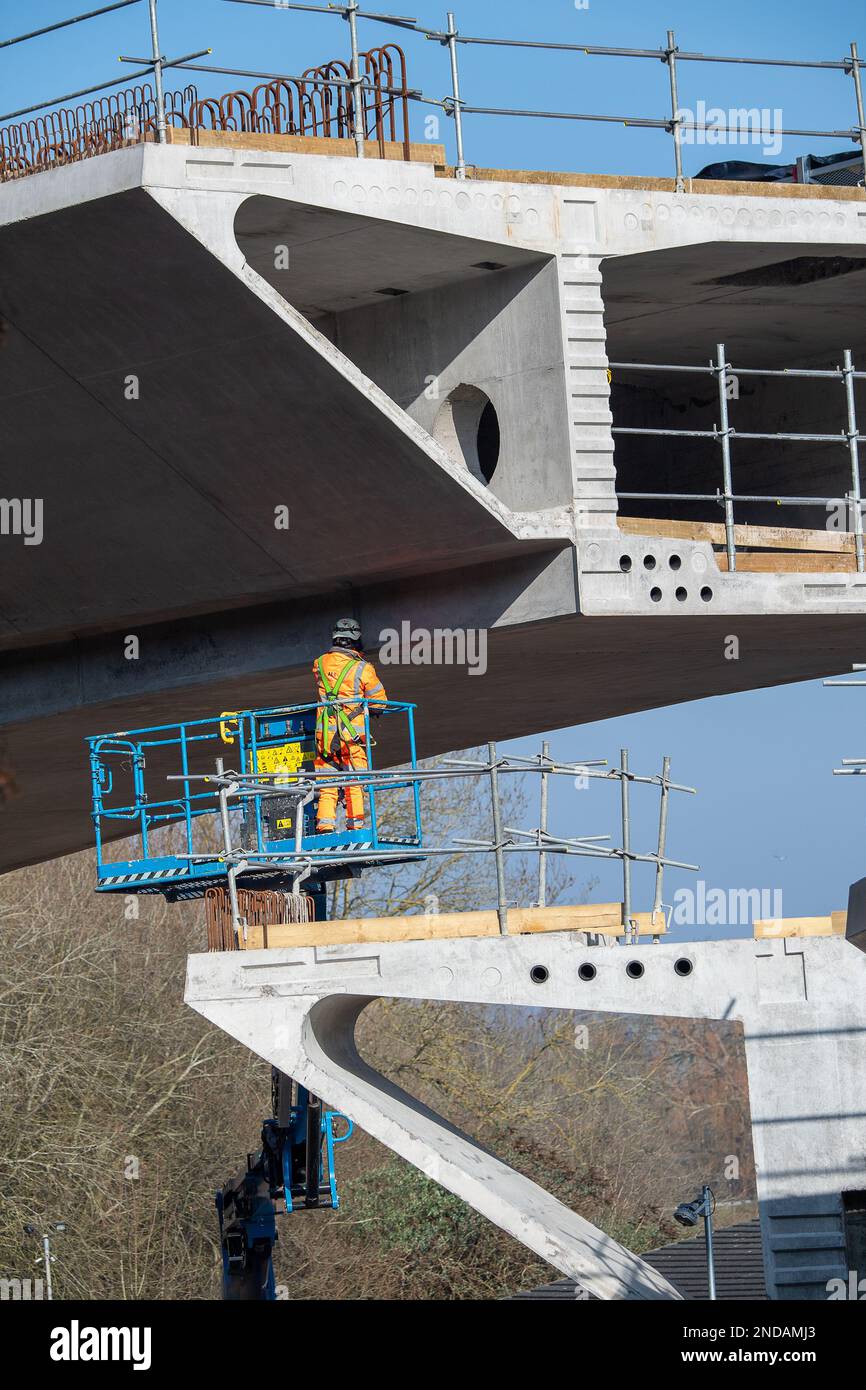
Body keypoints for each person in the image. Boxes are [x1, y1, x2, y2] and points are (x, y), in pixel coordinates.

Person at [312, 619, 387, 833]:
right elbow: (379, 702)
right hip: (351, 738)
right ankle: (355, 826)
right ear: (356, 640)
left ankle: (325, 825)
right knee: (354, 781)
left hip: (325, 737)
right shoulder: (363, 669)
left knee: (327, 782)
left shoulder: (320, 664)